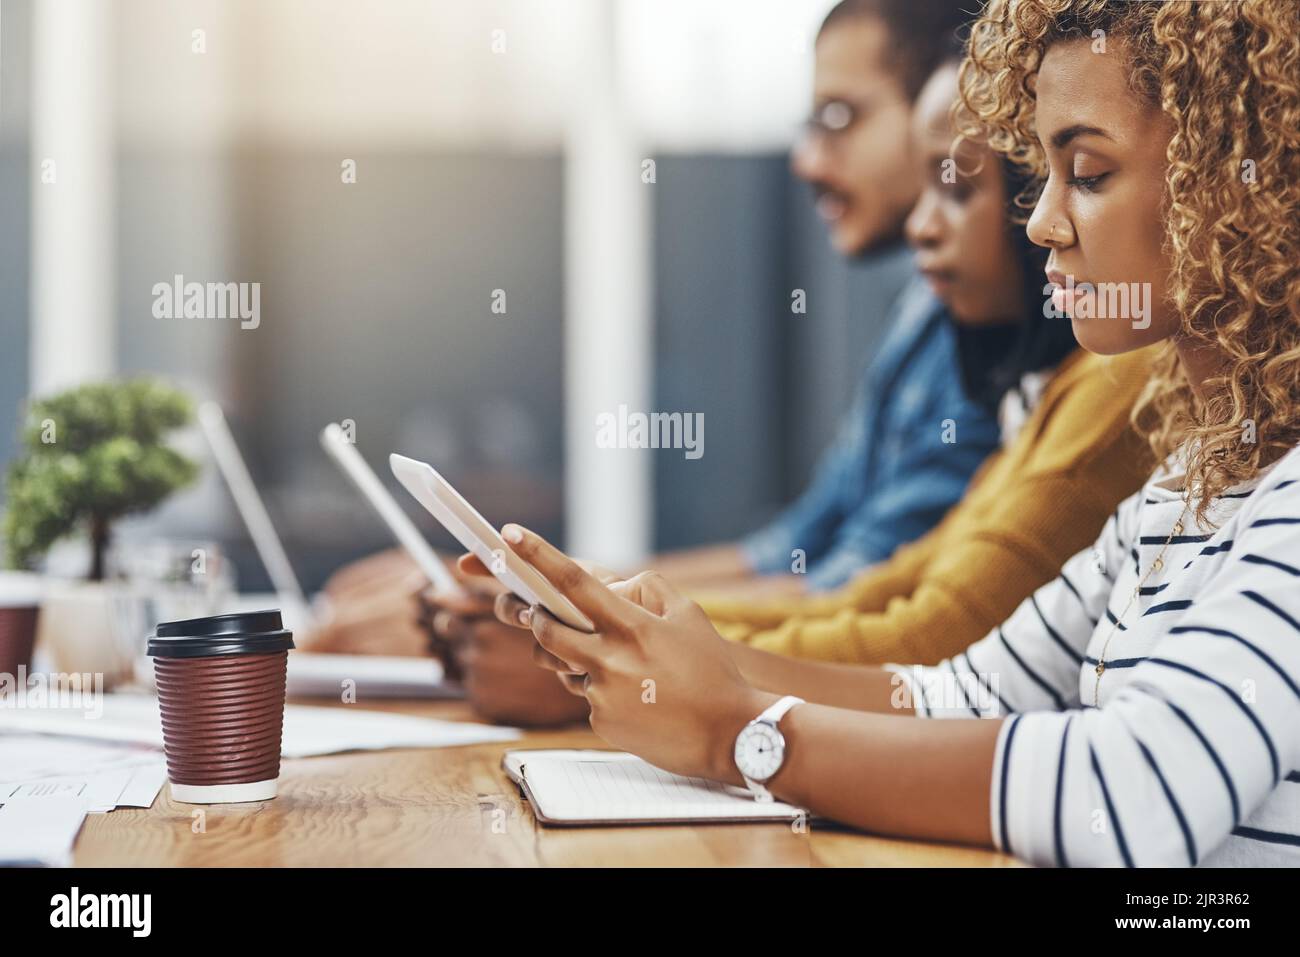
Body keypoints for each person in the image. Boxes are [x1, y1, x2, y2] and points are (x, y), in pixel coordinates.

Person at [474, 0, 1300, 866]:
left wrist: (738, 730)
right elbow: (962, 693)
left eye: (1087, 174)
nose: (1040, 223)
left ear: (1247, 189)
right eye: (1041, 179)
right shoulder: (1183, 488)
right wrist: (683, 657)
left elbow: (1135, 796)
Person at [305, 0, 1000, 723]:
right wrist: (562, 596)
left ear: (947, 100)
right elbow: (794, 553)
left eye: (839, 118)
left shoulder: (999, 342)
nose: (805, 160)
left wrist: (591, 639)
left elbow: (872, 604)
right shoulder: (925, 314)